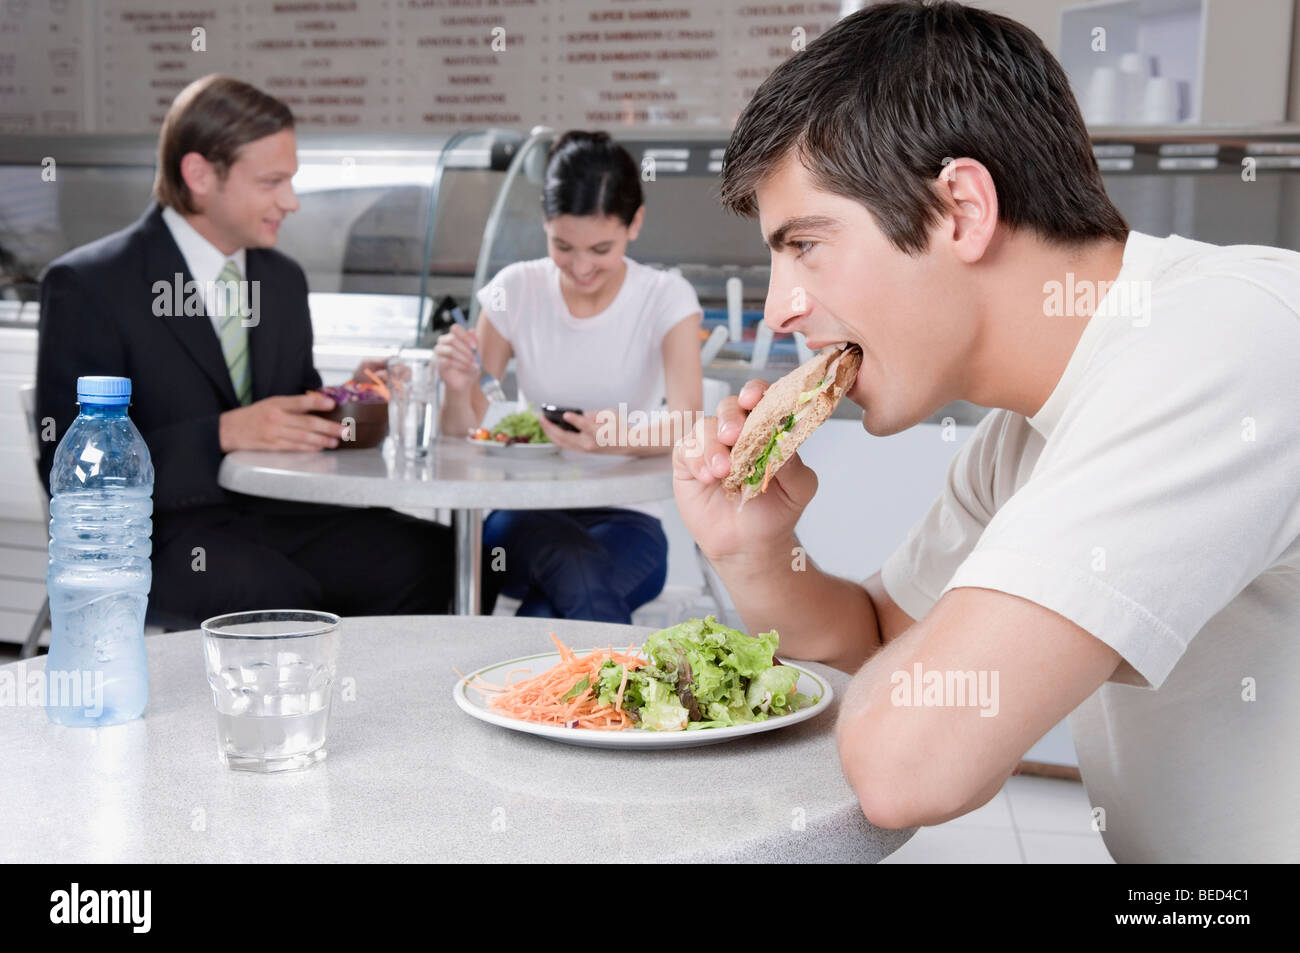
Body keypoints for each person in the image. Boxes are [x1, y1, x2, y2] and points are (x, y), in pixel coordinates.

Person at [673, 1, 1300, 863]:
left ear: (961, 208)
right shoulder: (1021, 433)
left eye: (806, 246)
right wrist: (754, 549)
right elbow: (878, 649)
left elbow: (909, 766)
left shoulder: (1228, 341)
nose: (781, 308)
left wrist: (928, 686)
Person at [36, 74, 456, 626]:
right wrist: (224, 434)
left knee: (429, 555)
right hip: (161, 534)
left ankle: (365, 703)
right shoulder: (91, 284)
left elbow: (286, 412)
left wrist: (346, 399)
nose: (292, 201)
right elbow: (78, 471)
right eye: (272, 181)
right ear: (199, 174)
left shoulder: (281, 280)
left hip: (274, 517)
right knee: (273, 590)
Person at [437, 130, 703, 623]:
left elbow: (689, 423)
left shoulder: (666, 297)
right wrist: (456, 388)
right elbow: (461, 428)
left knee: (552, 601)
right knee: (570, 565)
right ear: (545, 225)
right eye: (563, 246)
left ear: (635, 223)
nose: (581, 267)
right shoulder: (513, 291)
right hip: (522, 515)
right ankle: (620, 698)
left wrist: (615, 439)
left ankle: (521, 697)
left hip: (629, 520)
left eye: (601, 249)